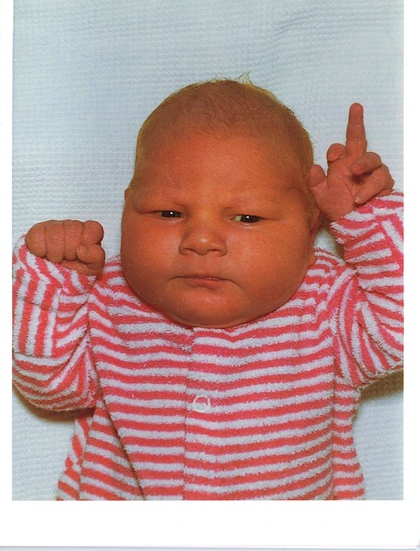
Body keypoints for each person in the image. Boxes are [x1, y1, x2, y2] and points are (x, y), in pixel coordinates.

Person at [12, 79, 403, 500]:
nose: (200, 240)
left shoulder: (323, 304)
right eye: (168, 213)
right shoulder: (109, 300)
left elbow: (400, 331)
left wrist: (366, 221)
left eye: (247, 218)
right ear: (127, 208)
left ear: (311, 232)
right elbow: (49, 385)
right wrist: (54, 284)